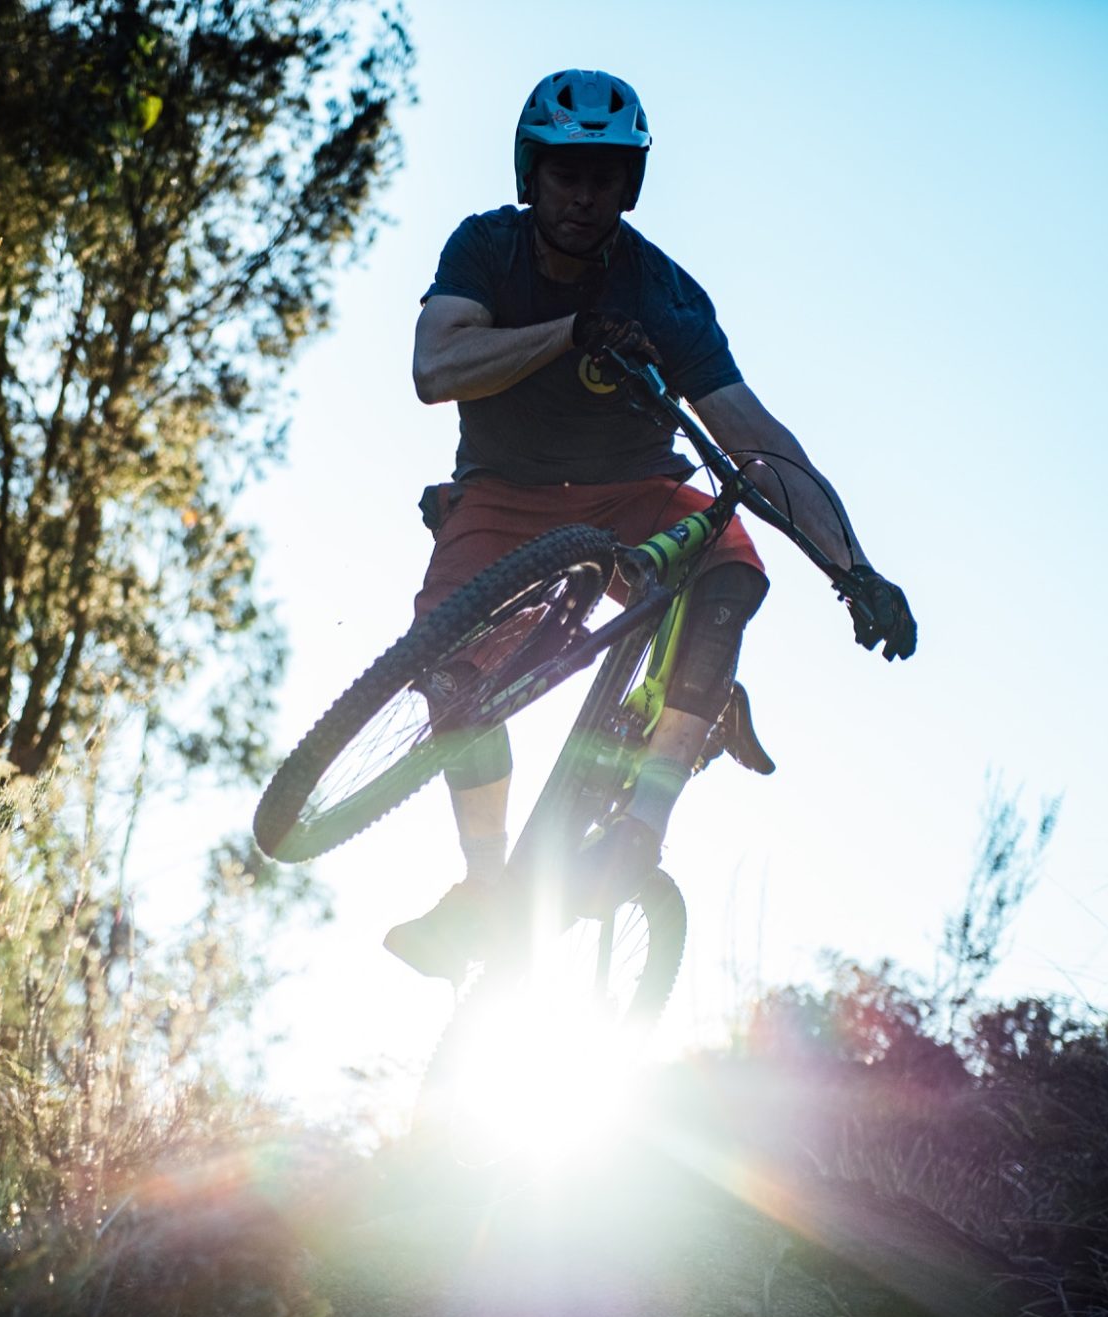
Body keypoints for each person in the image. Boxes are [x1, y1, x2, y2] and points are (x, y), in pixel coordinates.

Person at [383, 68, 917, 982]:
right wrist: (570, 332)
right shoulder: (484, 249)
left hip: (634, 486)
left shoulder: (664, 293)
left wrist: (854, 569)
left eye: (605, 176)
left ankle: (644, 825)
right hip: (503, 492)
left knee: (730, 563)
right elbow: (437, 365)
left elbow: (758, 442)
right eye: (566, 174)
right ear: (532, 175)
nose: (584, 195)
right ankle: (482, 886)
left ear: (628, 186)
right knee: (447, 663)